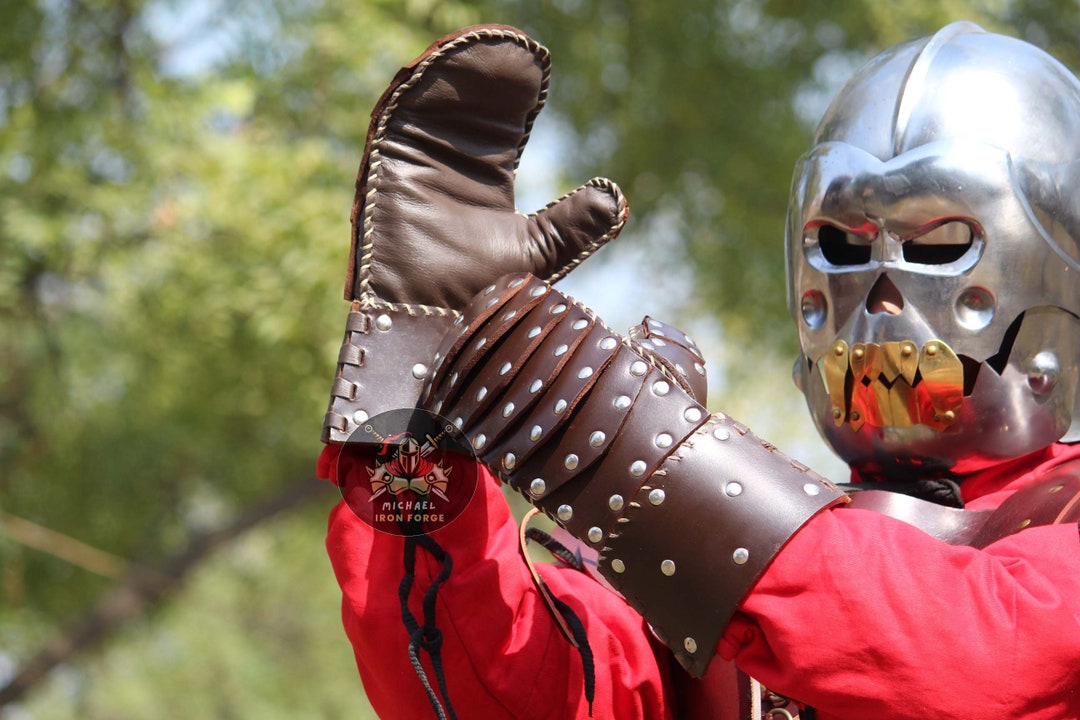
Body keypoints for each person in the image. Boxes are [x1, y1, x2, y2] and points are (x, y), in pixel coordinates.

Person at [317, 22, 1080, 719]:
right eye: (841, 246)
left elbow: (980, 659)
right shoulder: (729, 570)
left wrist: (624, 443)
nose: (880, 296)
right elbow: (506, 692)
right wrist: (414, 404)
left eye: (940, 245)